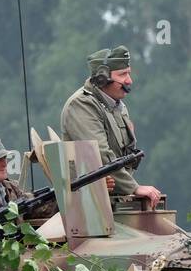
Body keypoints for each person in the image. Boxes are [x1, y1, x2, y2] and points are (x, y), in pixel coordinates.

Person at [60, 45, 162, 209]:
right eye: (122, 74)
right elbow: (99, 155)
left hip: (112, 201)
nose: (129, 81)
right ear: (102, 78)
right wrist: (134, 188)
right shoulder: (82, 104)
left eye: (129, 73)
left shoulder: (116, 106)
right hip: (86, 207)